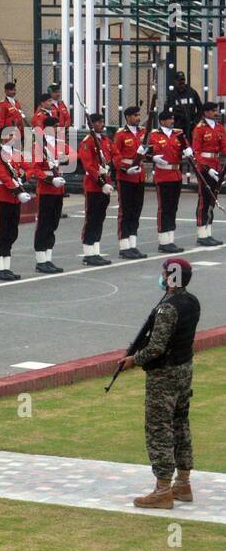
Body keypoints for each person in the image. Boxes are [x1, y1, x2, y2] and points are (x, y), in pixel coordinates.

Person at [121, 258, 200, 509]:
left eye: (165, 273)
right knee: (180, 424)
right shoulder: (192, 302)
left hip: (163, 375)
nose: (162, 276)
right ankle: (183, 483)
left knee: (158, 428)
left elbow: (156, 347)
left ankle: (163, 488)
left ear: (172, 276)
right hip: (184, 370)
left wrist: (134, 360)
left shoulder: (167, 309)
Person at [0, 129, 34, 280]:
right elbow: (2, 174)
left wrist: (23, 178)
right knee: (2, 232)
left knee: (12, 232)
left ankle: (6, 267)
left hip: (15, 196)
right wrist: (16, 188)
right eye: (9, 135)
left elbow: (29, 168)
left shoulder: (16, 154)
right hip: (4, 195)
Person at [27, 115, 68, 273]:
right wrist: (50, 179)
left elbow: (70, 158)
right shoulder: (38, 145)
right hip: (46, 189)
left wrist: (61, 160)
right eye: (56, 126)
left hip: (58, 189)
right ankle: (40, 260)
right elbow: (34, 169)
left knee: (53, 223)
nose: (59, 128)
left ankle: (48, 257)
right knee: (44, 224)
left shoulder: (59, 144)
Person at [148, 108, 190, 253]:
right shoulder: (154, 136)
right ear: (161, 121)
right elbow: (146, 152)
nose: (172, 121)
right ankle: (163, 241)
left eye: (172, 119)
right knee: (164, 208)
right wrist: (152, 158)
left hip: (176, 174)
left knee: (173, 207)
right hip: (163, 174)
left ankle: (170, 239)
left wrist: (188, 152)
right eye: (169, 119)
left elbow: (185, 149)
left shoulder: (178, 134)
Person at [111, 105, 149, 259]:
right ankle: (124, 246)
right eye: (135, 115)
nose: (138, 118)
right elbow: (116, 156)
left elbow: (148, 151)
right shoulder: (120, 134)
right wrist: (126, 169)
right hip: (126, 175)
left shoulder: (143, 132)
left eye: (139, 115)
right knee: (125, 211)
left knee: (136, 210)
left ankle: (133, 244)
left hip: (139, 175)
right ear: (127, 118)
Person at [78, 113, 115, 266]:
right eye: (98, 122)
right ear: (91, 124)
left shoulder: (105, 140)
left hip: (104, 184)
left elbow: (112, 156)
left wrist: (109, 167)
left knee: (100, 219)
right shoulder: (88, 142)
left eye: (102, 121)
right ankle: (88, 253)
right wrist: (101, 182)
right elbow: (89, 166)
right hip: (94, 186)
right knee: (92, 219)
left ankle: (96, 251)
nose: (101, 124)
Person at [190, 101, 224, 247]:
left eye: (216, 110)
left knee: (212, 199)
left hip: (216, 165)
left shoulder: (219, 127)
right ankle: (202, 233)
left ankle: (208, 231)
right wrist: (206, 168)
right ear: (206, 112)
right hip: (205, 167)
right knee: (204, 199)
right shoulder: (199, 129)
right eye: (213, 111)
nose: (216, 113)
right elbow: (196, 152)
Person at [168, 70, 202, 135]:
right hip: (178, 126)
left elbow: (200, 108)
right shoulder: (172, 95)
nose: (182, 82)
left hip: (192, 124)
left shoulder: (192, 92)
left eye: (183, 80)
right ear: (175, 81)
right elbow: (168, 111)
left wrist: (195, 121)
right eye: (179, 80)